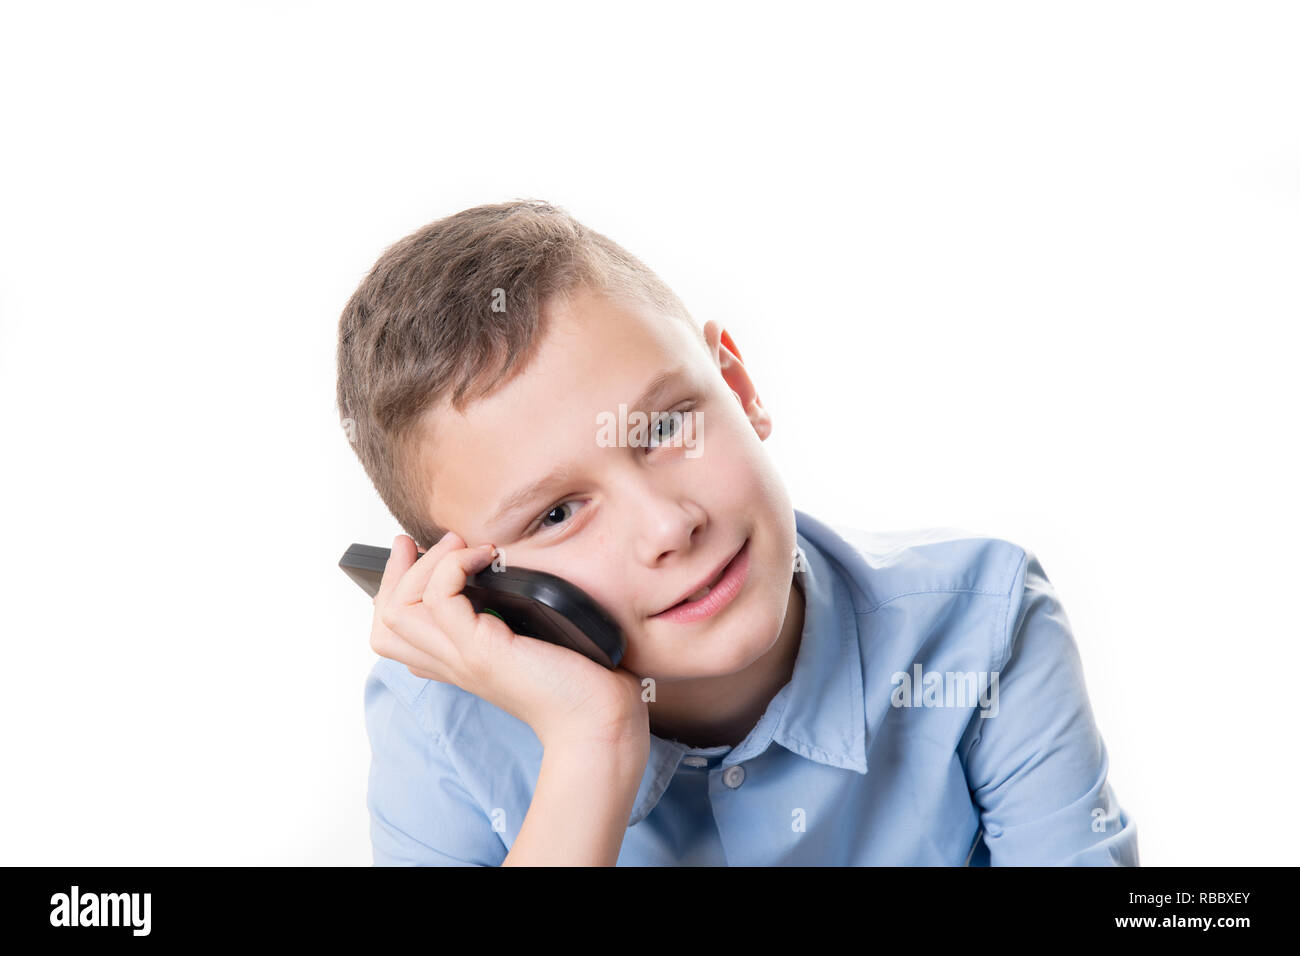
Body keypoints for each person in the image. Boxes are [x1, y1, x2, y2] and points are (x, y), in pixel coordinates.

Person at [336, 199, 1139, 866]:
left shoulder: (981, 630)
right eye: (556, 514)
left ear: (738, 385)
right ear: (477, 581)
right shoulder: (437, 725)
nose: (668, 526)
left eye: (665, 428)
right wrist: (592, 748)